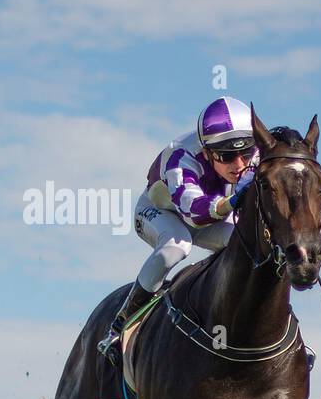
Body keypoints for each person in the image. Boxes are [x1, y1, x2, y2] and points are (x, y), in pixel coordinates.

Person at [98, 97, 259, 363]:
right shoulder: (181, 155)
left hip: (211, 215)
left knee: (246, 244)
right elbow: (194, 213)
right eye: (227, 156)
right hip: (164, 213)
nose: (239, 164)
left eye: (246, 153)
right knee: (177, 246)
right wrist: (232, 201)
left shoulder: (255, 156)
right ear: (207, 153)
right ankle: (121, 325)